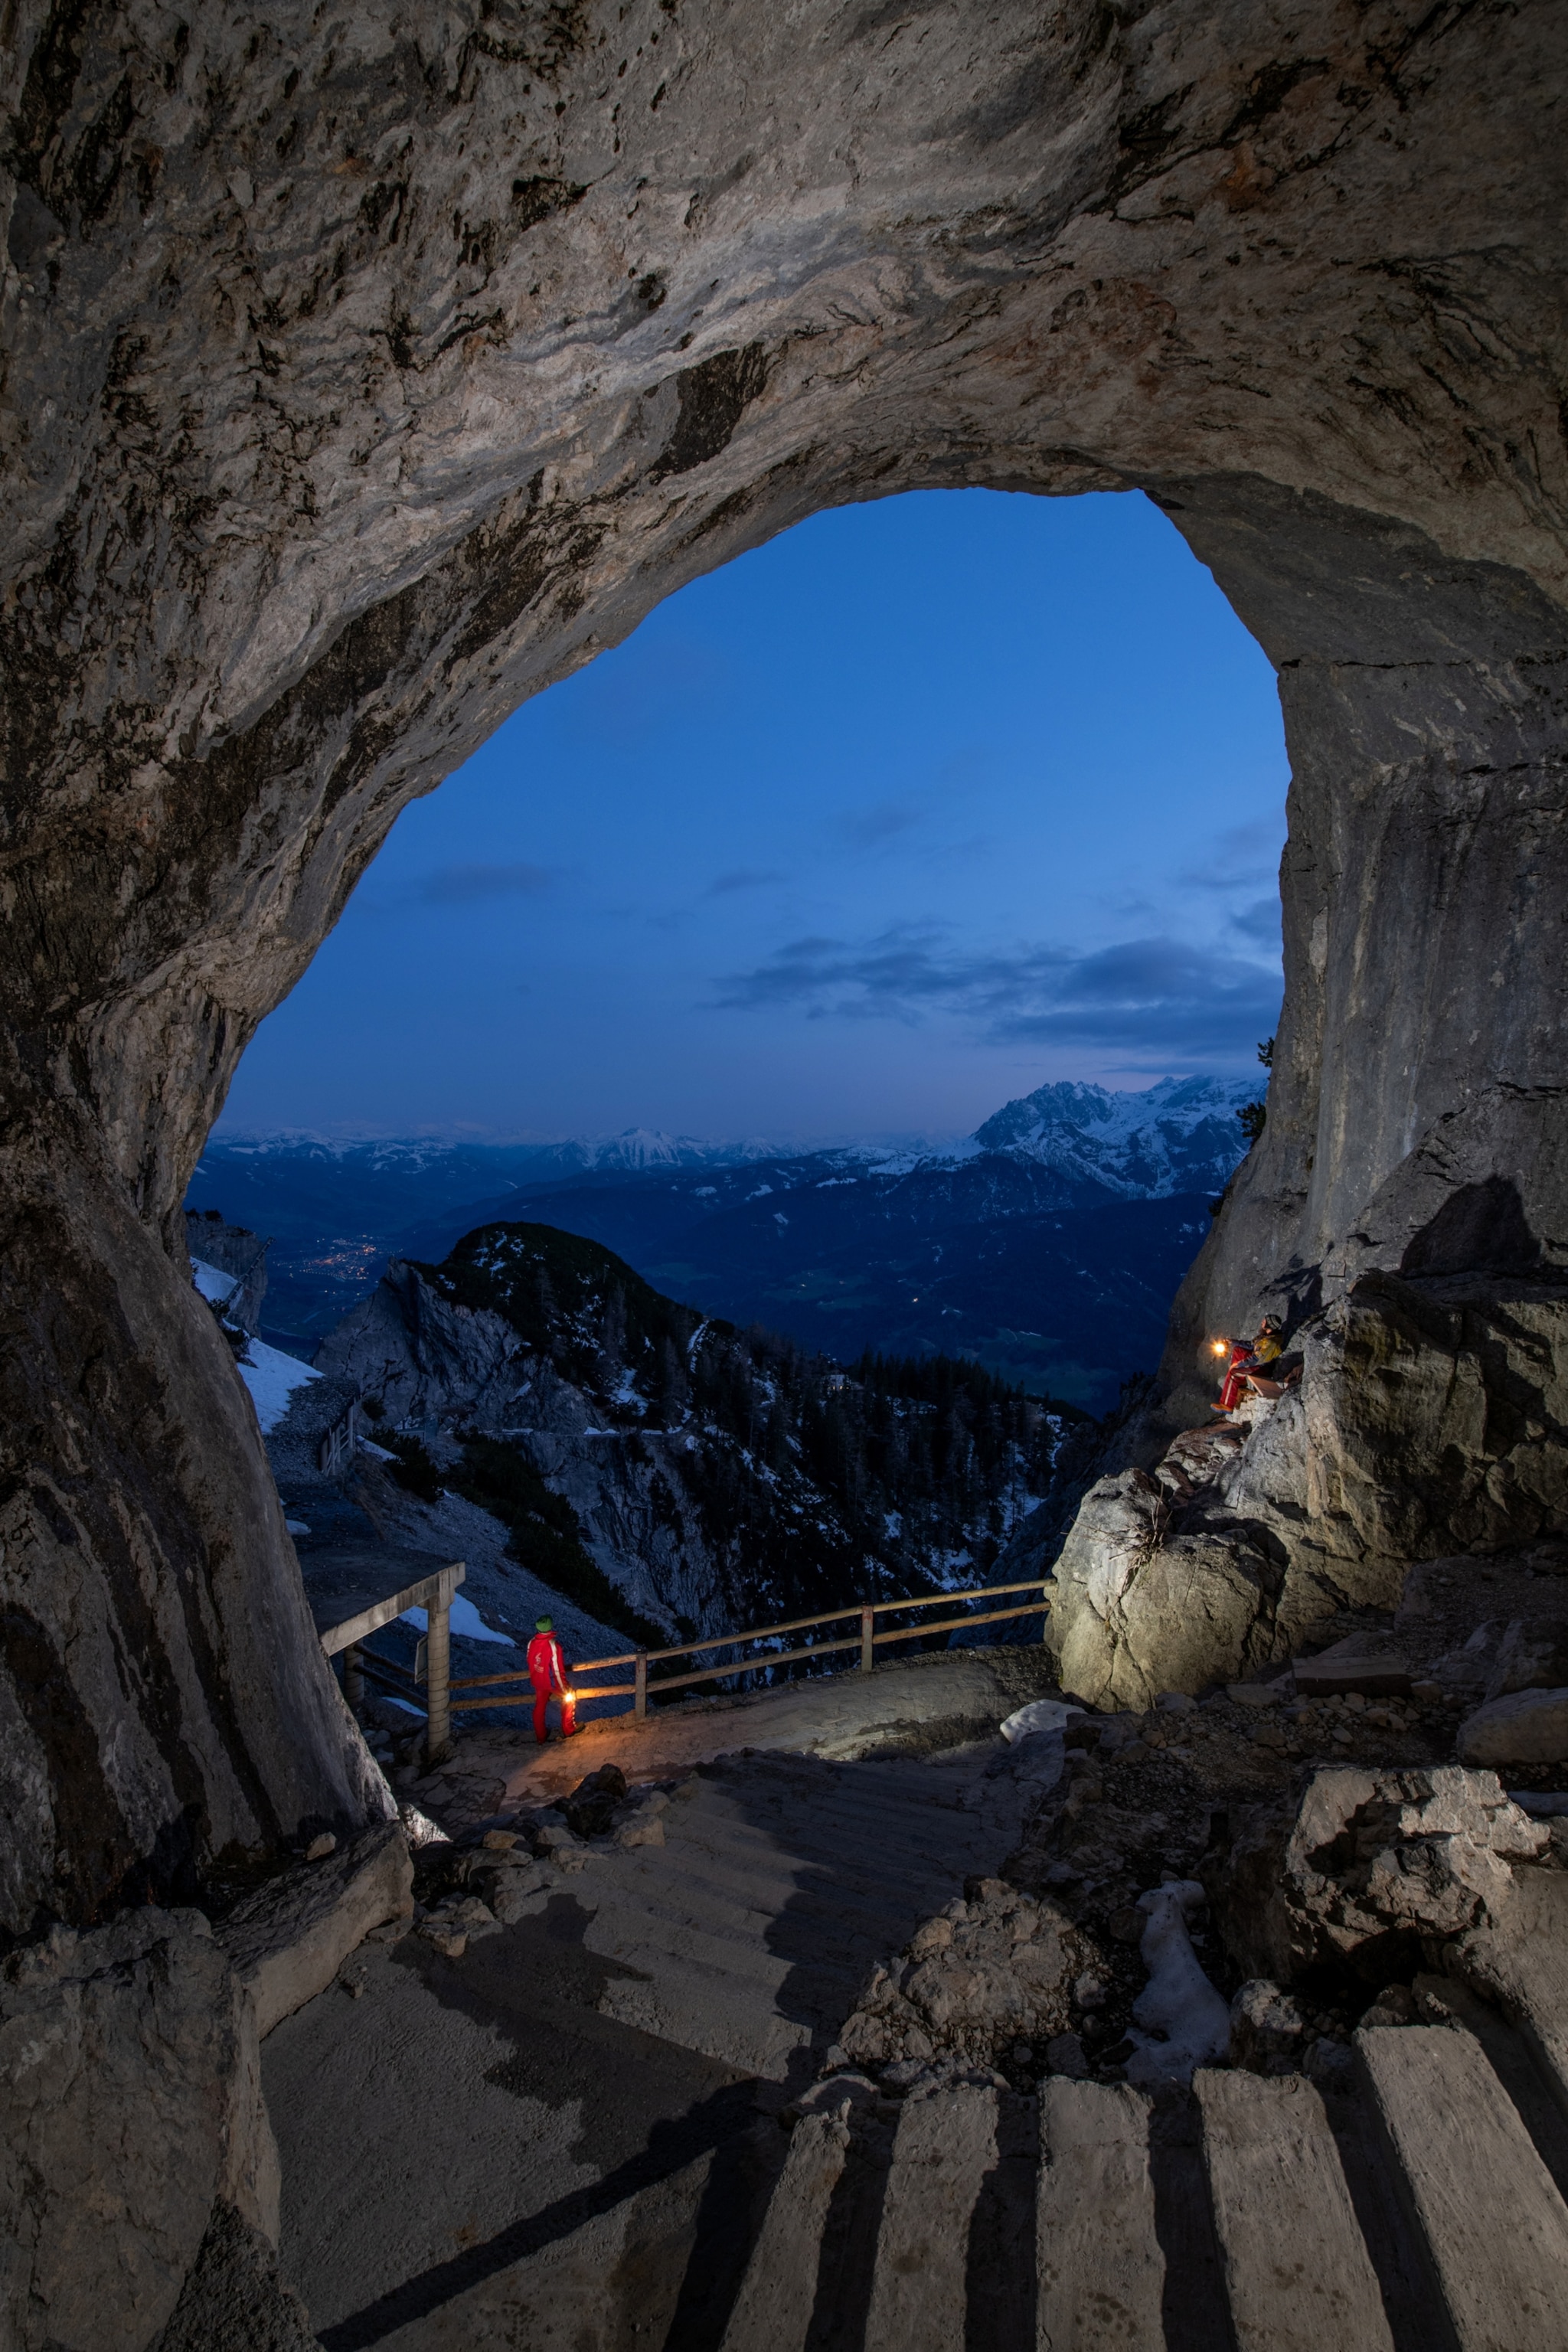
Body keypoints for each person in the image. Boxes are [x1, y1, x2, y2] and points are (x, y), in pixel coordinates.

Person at [527, 1615, 577, 1744]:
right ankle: (568, 1729)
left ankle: (540, 1737)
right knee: (569, 1698)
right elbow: (557, 1670)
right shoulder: (553, 1645)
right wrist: (564, 1687)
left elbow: (530, 1660)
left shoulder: (532, 1642)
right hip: (551, 1682)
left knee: (539, 1707)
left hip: (538, 1681)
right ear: (550, 1627)